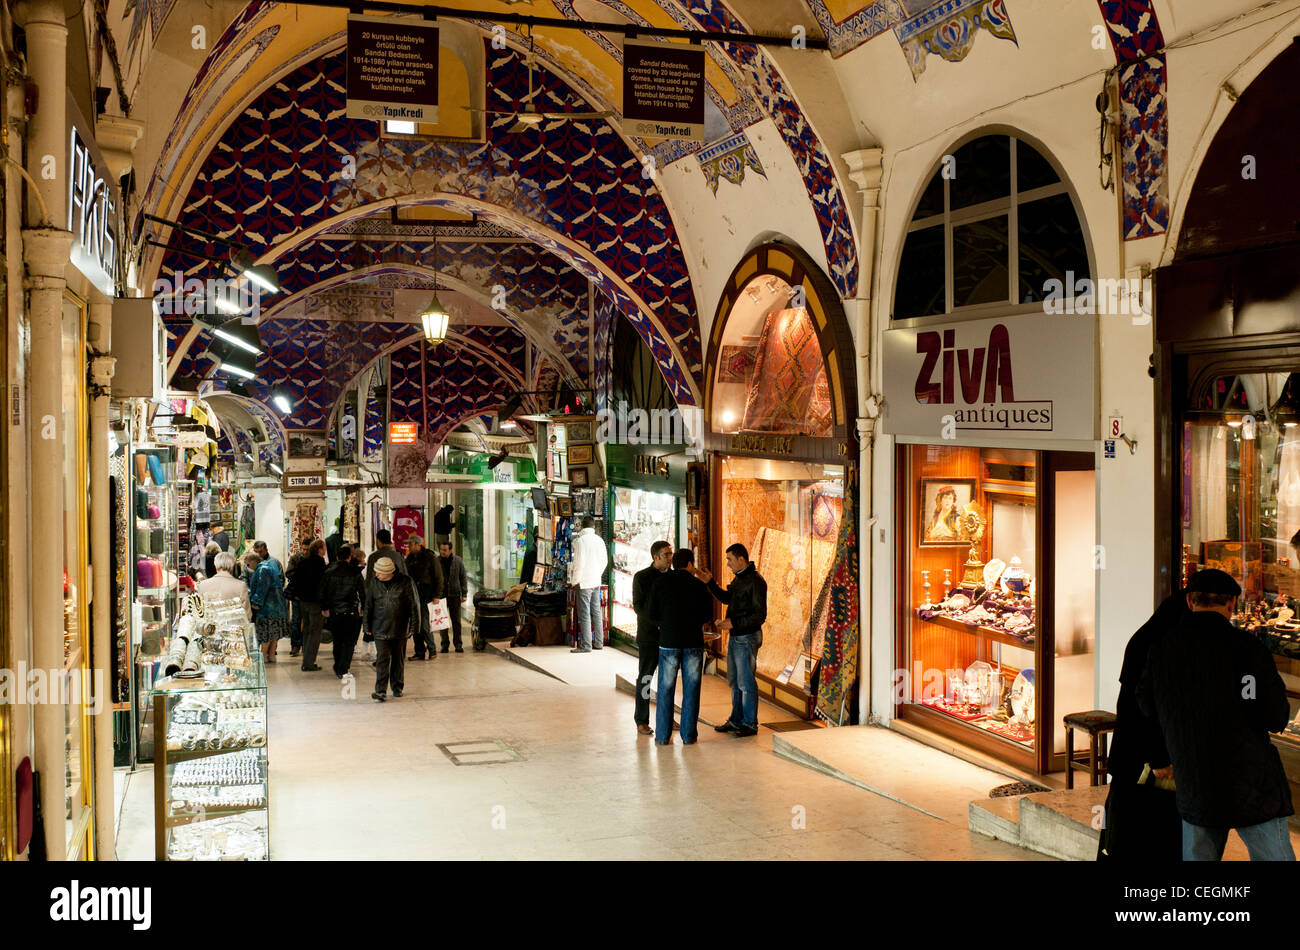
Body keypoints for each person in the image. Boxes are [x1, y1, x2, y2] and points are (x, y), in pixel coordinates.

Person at [1139, 568, 1296, 861]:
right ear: (1231, 604)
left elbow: (1147, 706)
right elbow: (1275, 715)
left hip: (1194, 774)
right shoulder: (1248, 648)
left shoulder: (1163, 649)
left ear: (1190, 602)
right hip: (1251, 778)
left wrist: (1163, 755)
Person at [1097, 590, 1187, 861]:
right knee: (1139, 834)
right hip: (1143, 759)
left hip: (1135, 756)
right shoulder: (1157, 646)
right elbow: (1141, 709)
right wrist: (1159, 756)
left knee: (1129, 830)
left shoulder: (1148, 638)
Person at [700, 543, 767, 738]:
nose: (728, 564)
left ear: (741, 559)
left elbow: (759, 615)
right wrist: (710, 583)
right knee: (735, 681)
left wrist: (733, 623)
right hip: (738, 637)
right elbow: (728, 598)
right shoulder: (740, 579)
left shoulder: (756, 582)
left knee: (746, 682)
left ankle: (749, 723)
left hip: (747, 638)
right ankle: (736, 719)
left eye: (730, 559)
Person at [647, 548, 713, 745]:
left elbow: (650, 613)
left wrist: (664, 623)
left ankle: (662, 735)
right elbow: (708, 615)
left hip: (668, 641)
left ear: (673, 563)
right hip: (693, 642)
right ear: (690, 564)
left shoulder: (660, 583)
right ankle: (688, 735)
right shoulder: (699, 586)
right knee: (691, 689)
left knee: (665, 689)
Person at [631, 540, 673, 735]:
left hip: (670, 637)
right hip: (649, 637)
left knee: (668, 679)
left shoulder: (674, 577)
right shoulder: (642, 577)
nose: (670, 558)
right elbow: (638, 606)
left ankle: (668, 717)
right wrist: (657, 622)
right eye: (666, 554)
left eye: (671, 554)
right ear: (655, 557)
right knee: (646, 678)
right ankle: (641, 720)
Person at [364, 556, 418, 702]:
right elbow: (368, 606)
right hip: (380, 627)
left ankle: (397, 686)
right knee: (382, 659)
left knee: (398, 659)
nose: (376, 575)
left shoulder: (405, 582)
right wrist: (366, 626)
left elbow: (413, 605)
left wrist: (413, 626)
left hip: (399, 627)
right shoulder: (374, 584)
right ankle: (380, 690)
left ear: (388, 573)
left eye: (379, 573)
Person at [321, 544, 365, 678]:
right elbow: (362, 592)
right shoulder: (355, 573)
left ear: (336, 557)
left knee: (338, 640)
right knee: (349, 641)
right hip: (351, 611)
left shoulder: (329, 572)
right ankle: (344, 668)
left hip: (334, 611)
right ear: (349, 557)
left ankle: (338, 665)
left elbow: (323, 591)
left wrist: (325, 607)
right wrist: (363, 607)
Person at [569, 515, 607, 653]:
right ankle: (599, 642)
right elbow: (604, 561)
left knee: (584, 613)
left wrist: (575, 581)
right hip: (596, 580)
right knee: (596, 612)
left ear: (581, 526)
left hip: (584, 582)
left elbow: (579, 563)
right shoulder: (600, 540)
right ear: (593, 527)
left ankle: (586, 645)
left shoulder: (580, 541)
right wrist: (597, 574)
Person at [290, 539, 328, 672]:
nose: (325, 551)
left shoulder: (303, 562)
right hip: (315, 602)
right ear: (319, 550)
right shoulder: (319, 563)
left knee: (306, 630)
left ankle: (306, 659)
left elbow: (296, 579)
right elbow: (322, 586)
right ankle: (309, 662)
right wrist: (325, 605)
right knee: (315, 632)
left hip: (303, 601)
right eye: (323, 548)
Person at [405, 535, 444, 660]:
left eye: (410, 544)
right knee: (415, 624)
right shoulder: (409, 559)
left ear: (417, 544)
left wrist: (437, 595)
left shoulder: (430, 557)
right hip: (413, 595)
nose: (408, 547)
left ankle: (432, 649)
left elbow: (439, 577)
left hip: (426, 594)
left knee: (424, 624)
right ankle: (419, 651)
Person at [248, 548, 289, 664]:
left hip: (267, 609)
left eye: (248, 564)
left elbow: (262, 588)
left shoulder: (262, 569)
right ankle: (271, 656)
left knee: (266, 634)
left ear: (252, 562)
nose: (248, 567)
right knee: (274, 634)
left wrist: (256, 602)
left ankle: (264, 656)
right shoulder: (268, 566)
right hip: (277, 608)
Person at [196, 552, 252, 621]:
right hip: (233, 629)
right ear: (232, 566)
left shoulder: (202, 585)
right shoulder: (241, 586)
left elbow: (198, 613)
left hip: (209, 629)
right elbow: (247, 615)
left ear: (215, 565)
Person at [437, 540, 468, 652]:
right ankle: (444, 644)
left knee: (456, 622)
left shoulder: (458, 561)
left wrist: (464, 593)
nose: (442, 552)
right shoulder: (437, 561)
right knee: (442, 622)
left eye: (445, 550)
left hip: (455, 595)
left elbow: (463, 577)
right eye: (441, 549)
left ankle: (458, 644)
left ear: (450, 550)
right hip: (441, 596)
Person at [284, 539, 313, 658]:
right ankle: (295, 645)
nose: (305, 551)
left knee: (308, 621)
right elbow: (288, 573)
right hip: (297, 595)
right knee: (296, 620)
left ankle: (306, 645)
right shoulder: (296, 558)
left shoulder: (314, 560)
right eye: (304, 549)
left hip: (309, 596)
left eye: (307, 549)